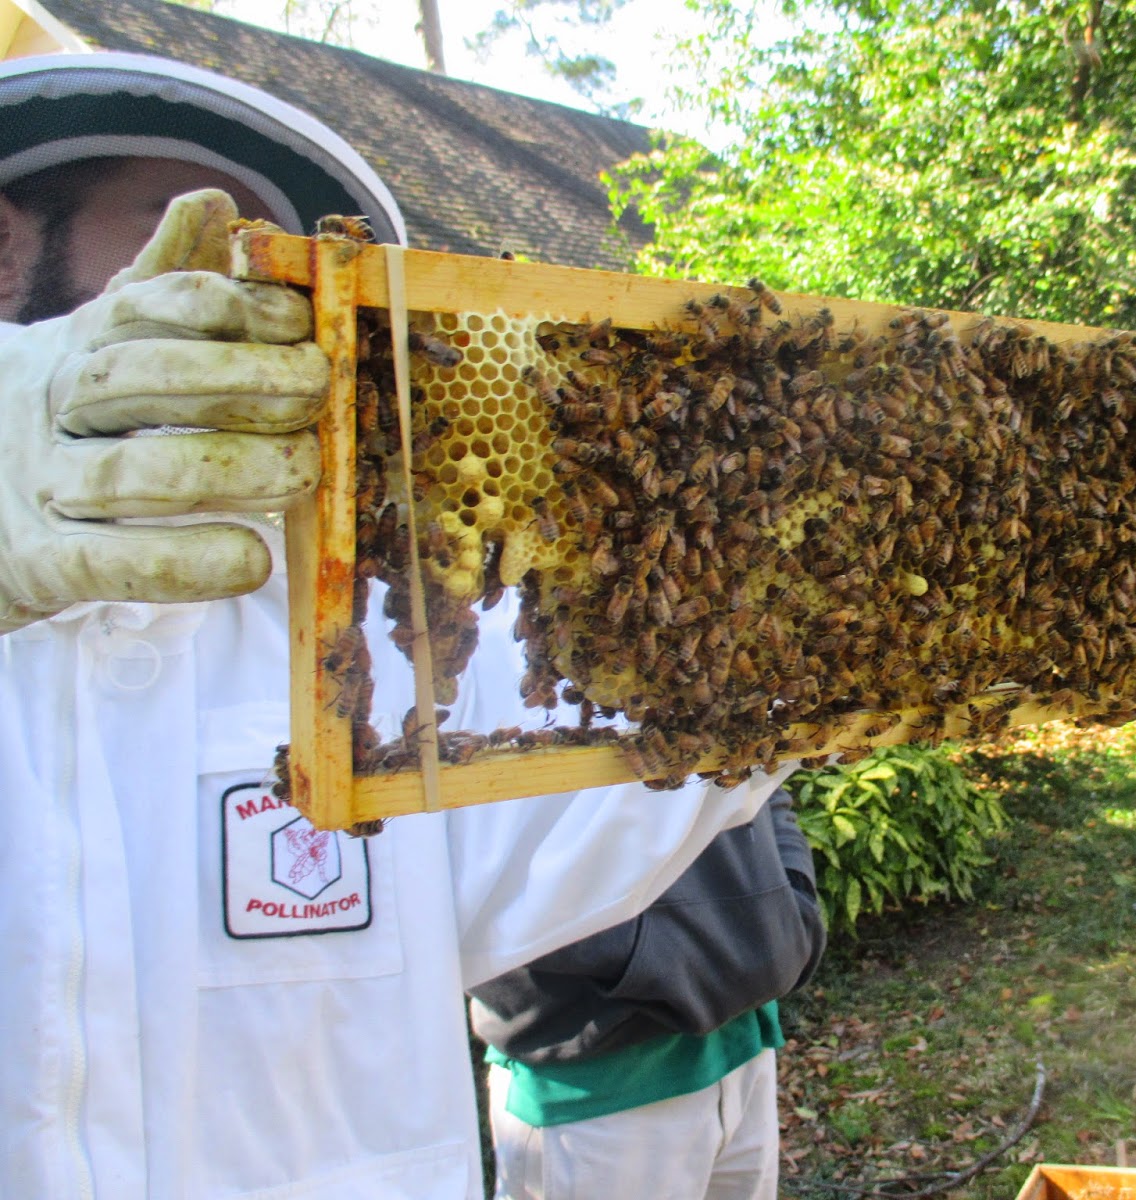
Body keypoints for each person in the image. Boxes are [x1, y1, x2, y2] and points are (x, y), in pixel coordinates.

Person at [0, 52, 790, 1199]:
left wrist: (787, 655)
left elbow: (569, 842)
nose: (263, 305)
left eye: (297, 279)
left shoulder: (374, 644)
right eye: (208, 248)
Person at [472, 785, 826, 1200]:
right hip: (593, 1094)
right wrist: (654, 959)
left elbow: (762, 783)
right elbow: (475, 848)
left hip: (743, 1054)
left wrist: (789, 910)